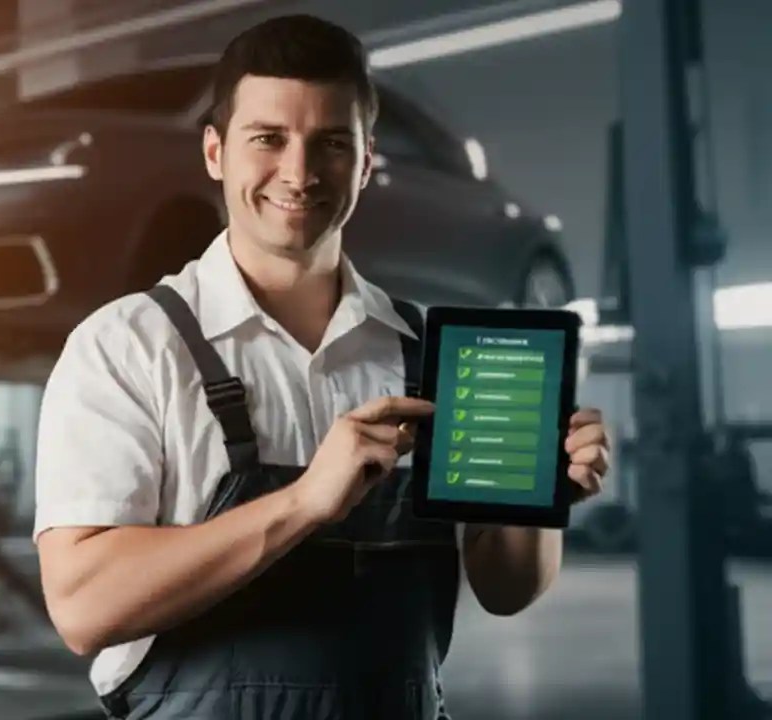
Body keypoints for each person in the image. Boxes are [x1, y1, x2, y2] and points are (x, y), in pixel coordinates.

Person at [32, 14, 610, 719]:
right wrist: (306, 502)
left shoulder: (427, 352)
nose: (299, 173)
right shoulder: (128, 347)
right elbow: (83, 607)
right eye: (267, 138)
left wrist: (539, 497)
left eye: (332, 143)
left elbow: (507, 589)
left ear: (364, 164)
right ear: (215, 152)